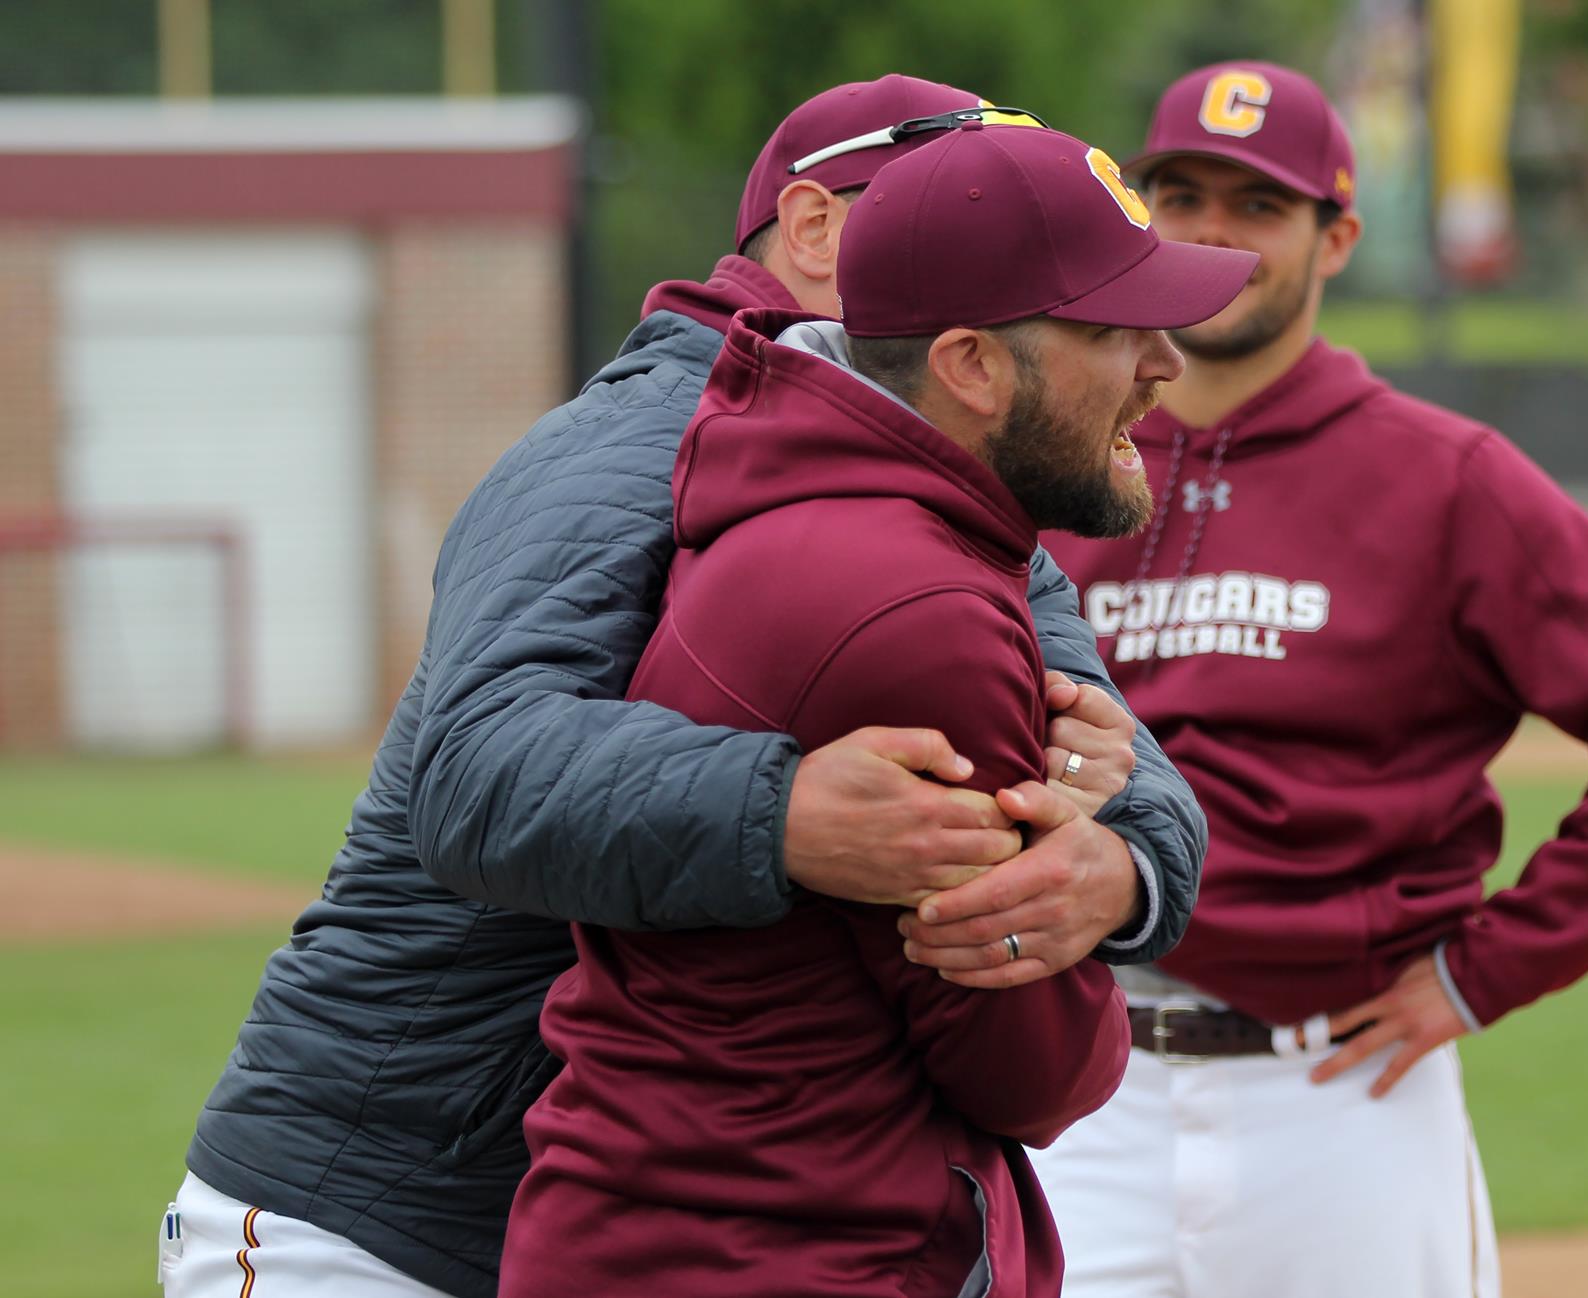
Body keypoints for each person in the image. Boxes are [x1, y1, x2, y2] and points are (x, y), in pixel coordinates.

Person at [158, 77, 1207, 1298]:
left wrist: (1123, 864)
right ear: (813, 231)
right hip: (372, 1214)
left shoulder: (934, 477)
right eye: (925, 197)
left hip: (634, 1225)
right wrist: (778, 809)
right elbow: (470, 773)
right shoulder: (625, 443)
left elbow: (1118, 746)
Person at [1028, 61, 1588, 1298]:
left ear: (1338, 237)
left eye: (1258, 207)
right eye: (1181, 195)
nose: (1213, 234)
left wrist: (1481, 970)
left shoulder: (1444, 476)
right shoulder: (1053, 461)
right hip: (1076, 1080)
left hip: (1337, 1093)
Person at [497, 123, 1256, 1298]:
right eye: (1115, 327)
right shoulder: (923, 607)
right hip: (783, 1249)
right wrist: (1069, 894)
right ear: (970, 364)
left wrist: (1115, 849)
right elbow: (1043, 1070)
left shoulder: (812, 502)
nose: (1164, 360)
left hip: (671, 1233)